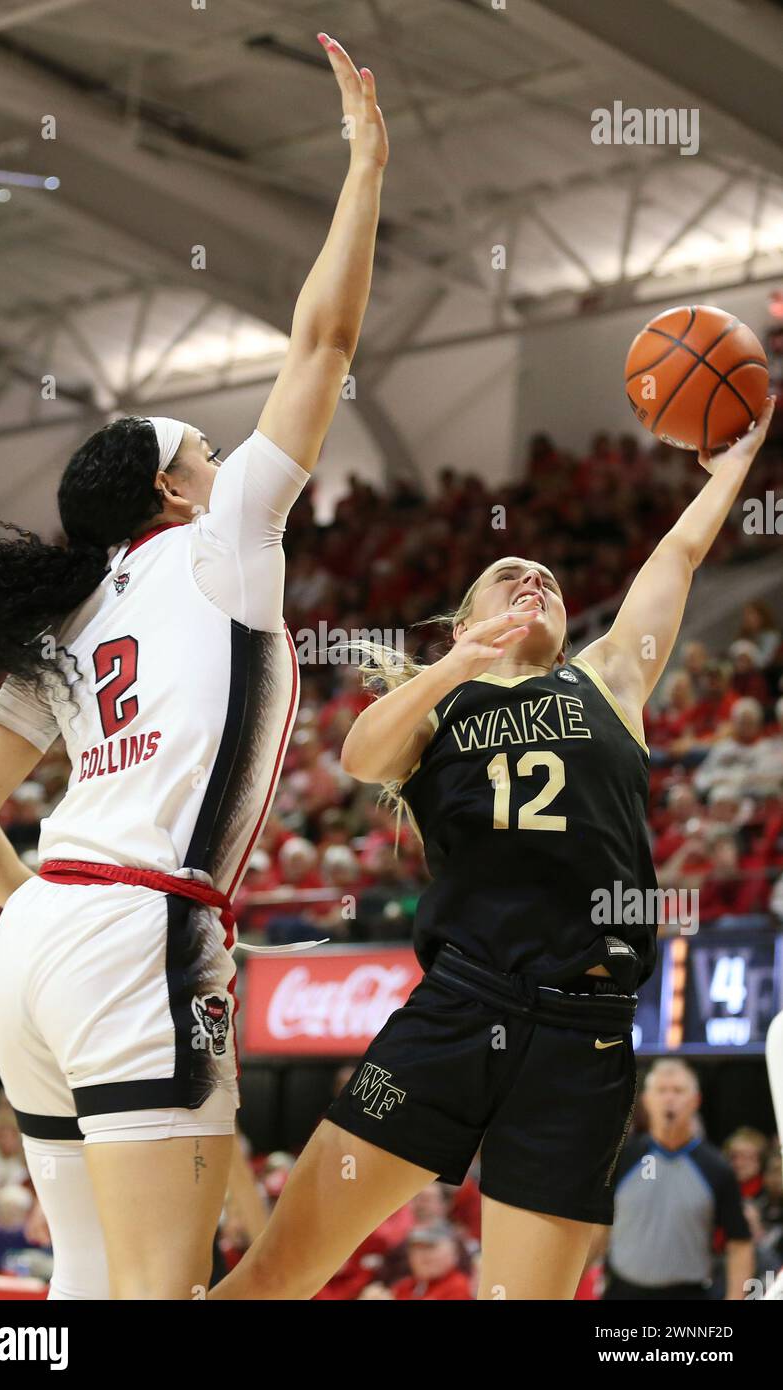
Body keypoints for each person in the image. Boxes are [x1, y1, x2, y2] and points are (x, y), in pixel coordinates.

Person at [0, 33, 388, 1300]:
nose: (226, 459)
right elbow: (323, 339)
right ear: (179, 486)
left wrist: (52, 914)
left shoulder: (64, 617)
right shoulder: (222, 538)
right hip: (138, 921)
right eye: (205, 449)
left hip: (32, 940)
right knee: (159, 1299)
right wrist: (363, 169)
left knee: (82, 1289)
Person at [212, 397, 775, 1302]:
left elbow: (674, 556)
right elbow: (361, 756)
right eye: (510, 574)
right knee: (278, 1272)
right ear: (466, 614)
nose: (534, 581)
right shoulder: (437, 710)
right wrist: (460, 663)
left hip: (583, 1032)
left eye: (547, 578)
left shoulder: (609, 678)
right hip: (460, 1007)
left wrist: (731, 472)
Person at [600, 1060, 752, 1300]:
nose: (669, 1099)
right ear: (647, 1101)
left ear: (695, 1101)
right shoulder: (623, 1159)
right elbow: (598, 1230)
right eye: (661, 1090)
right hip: (622, 1292)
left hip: (687, 1294)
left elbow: (739, 1243)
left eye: (678, 1091)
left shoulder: (717, 1168)